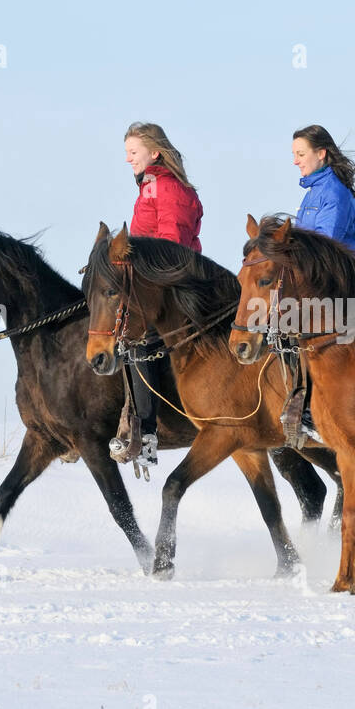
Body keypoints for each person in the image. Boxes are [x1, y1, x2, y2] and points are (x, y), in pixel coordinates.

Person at [110, 122, 204, 467]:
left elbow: (170, 245)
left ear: (155, 153)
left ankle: (146, 433)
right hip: (153, 281)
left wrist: (143, 270)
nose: (128, 159)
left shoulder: (167, 187)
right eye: (126, 153)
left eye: (133, 152)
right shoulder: (150, 186)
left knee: (141, 339)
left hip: (173, 283)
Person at [292, 125, 355, 253]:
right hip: (310, 270)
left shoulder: (334, 193)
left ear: (321, 154)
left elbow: (324, 246)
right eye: (294, 155)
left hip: (332, 272)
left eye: (301, 155)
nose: (295, 161)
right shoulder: (313, 192)